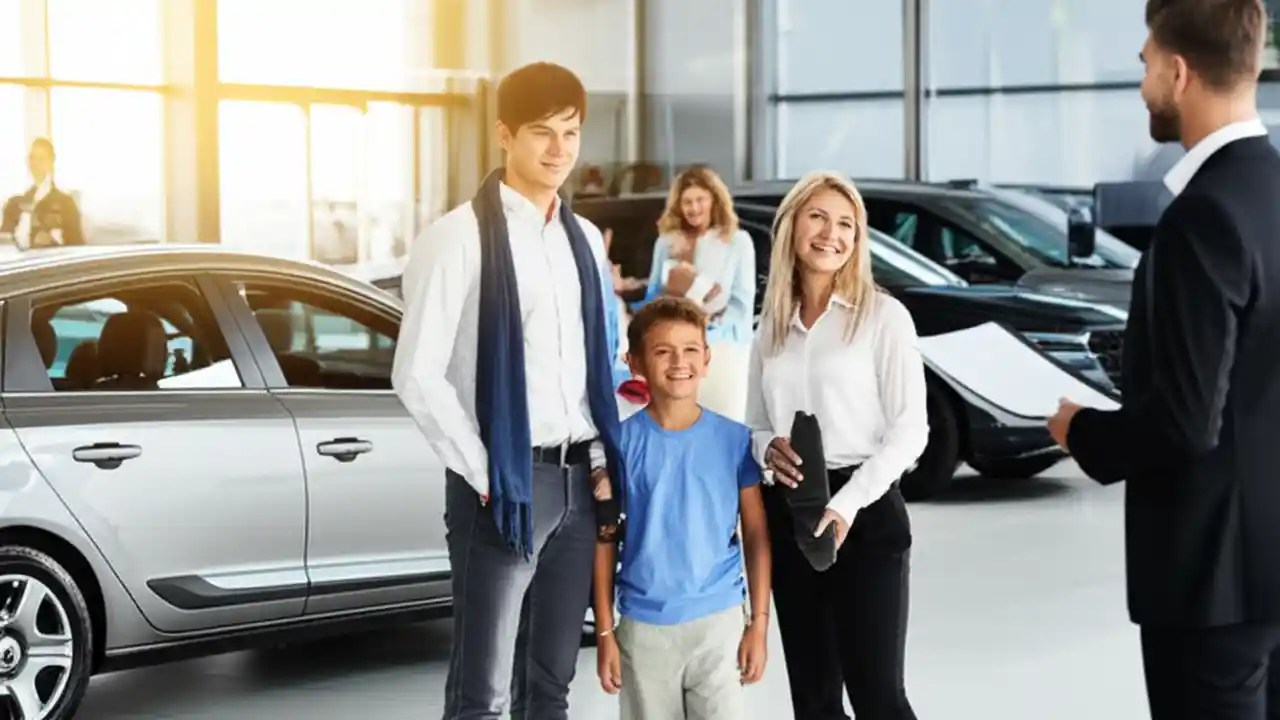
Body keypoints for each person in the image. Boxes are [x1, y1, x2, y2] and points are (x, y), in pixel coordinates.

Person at [1047, 1, 1280, 717]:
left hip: (1212, 583)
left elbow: (1185, 422)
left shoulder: (1201, 216)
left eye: (1146, 63)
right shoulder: (1270, 188)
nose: (1142, 79)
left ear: (1179, 73)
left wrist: (1078, 429)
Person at [391, 61, 625, 720]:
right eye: (542, 132)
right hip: (503, 487)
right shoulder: (456, 238)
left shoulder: (581, 238)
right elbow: (415, 372)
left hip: (579, 481)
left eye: (571, 132)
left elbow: (600, 360)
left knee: (549, 685)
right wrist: (485, 471)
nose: (559, 150)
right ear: (503, 134)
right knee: (482, 694)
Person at [746, 171, 928, 720]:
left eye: (846, 223)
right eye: (819, 217)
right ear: (792, 227)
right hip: (792, 509)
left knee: (877, 697)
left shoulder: (883, 317)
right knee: (815, 700)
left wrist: (846, 505)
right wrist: (764, 449)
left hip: (865, 513)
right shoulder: (769, 326)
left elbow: (910, 430)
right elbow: (754, 422)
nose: (832, 233)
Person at [592, 297, 771, 720]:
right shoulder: (619, 445)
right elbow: (605, 540)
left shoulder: (734, 440)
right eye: (662, 351)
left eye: (691, 349)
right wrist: (604, 632)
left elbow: (757, 535)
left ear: (707, 359)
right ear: (634, 362)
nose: (679, 361)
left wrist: (758, 624)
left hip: (720, 624)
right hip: (644, 630)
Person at [637, 166, 755, 421]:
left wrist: (708, 328)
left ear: (714, 199)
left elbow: (741, 305)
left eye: (700, 200)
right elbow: (652, 297)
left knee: (721, 431)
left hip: (722, 354)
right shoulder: (666, 242)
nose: (694, 208)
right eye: (687, 201)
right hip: (674, 356)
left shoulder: (737, 241)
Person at [1, 138, 84, 248]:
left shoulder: (65, 204)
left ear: (51, 161)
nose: (35, 163)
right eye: (32, 158)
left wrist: (53, 242)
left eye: (41, 158)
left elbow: (77, 245)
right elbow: (4, 241)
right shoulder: (15, 204)